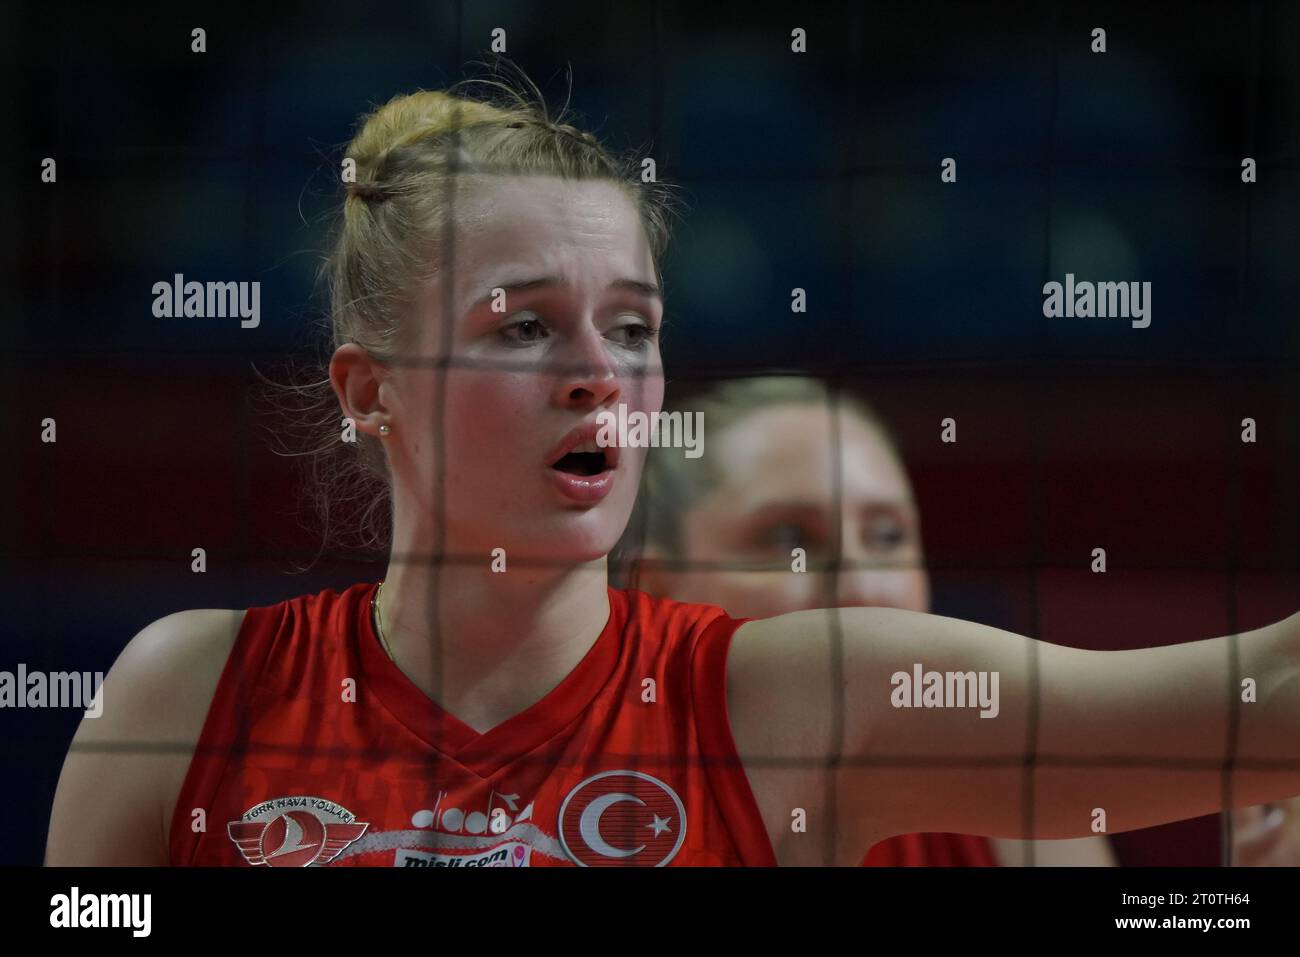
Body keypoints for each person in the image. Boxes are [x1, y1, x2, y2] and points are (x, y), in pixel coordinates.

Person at [47, 69, 1300, 868]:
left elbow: (1261, 697)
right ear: (373, 394)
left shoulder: (792, 697)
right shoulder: (189, 689)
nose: (600, 372)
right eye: (523, 325)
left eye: (633, 326)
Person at [620, 375, 1115, 866]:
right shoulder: (595, 813)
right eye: (789, 538)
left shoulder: (1018, 808)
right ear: (656, 592)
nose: (863, 587)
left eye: (886, 537)